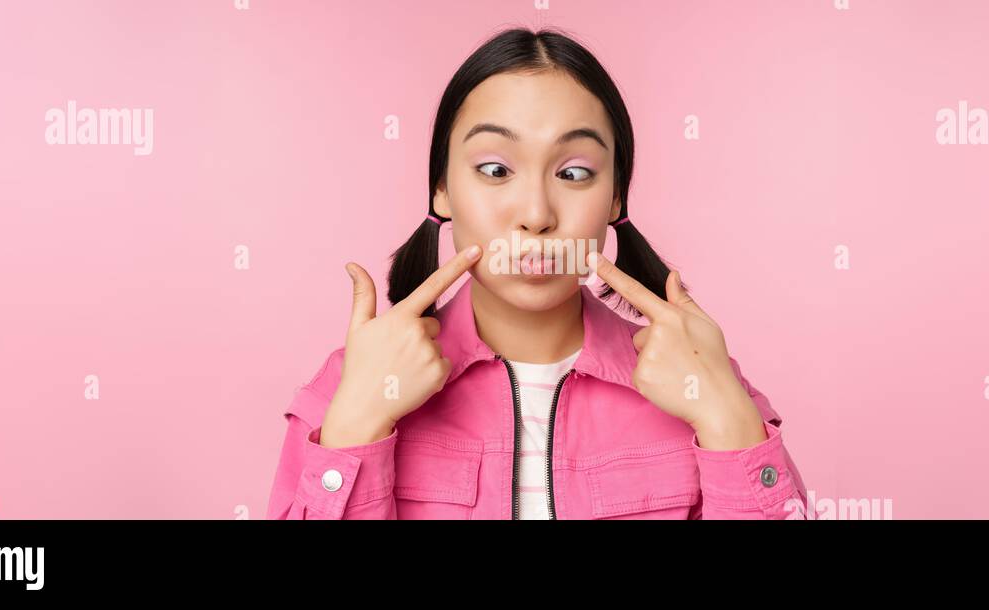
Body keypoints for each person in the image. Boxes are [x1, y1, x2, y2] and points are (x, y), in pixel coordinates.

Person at [267, 27, 808, 519]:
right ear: (442, 189)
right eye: (496, 169)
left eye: (574, 172)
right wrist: (355, 428)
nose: (537, 214)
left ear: (615, 194)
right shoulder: (348, 387)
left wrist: (729, 424)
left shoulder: (703, 378)